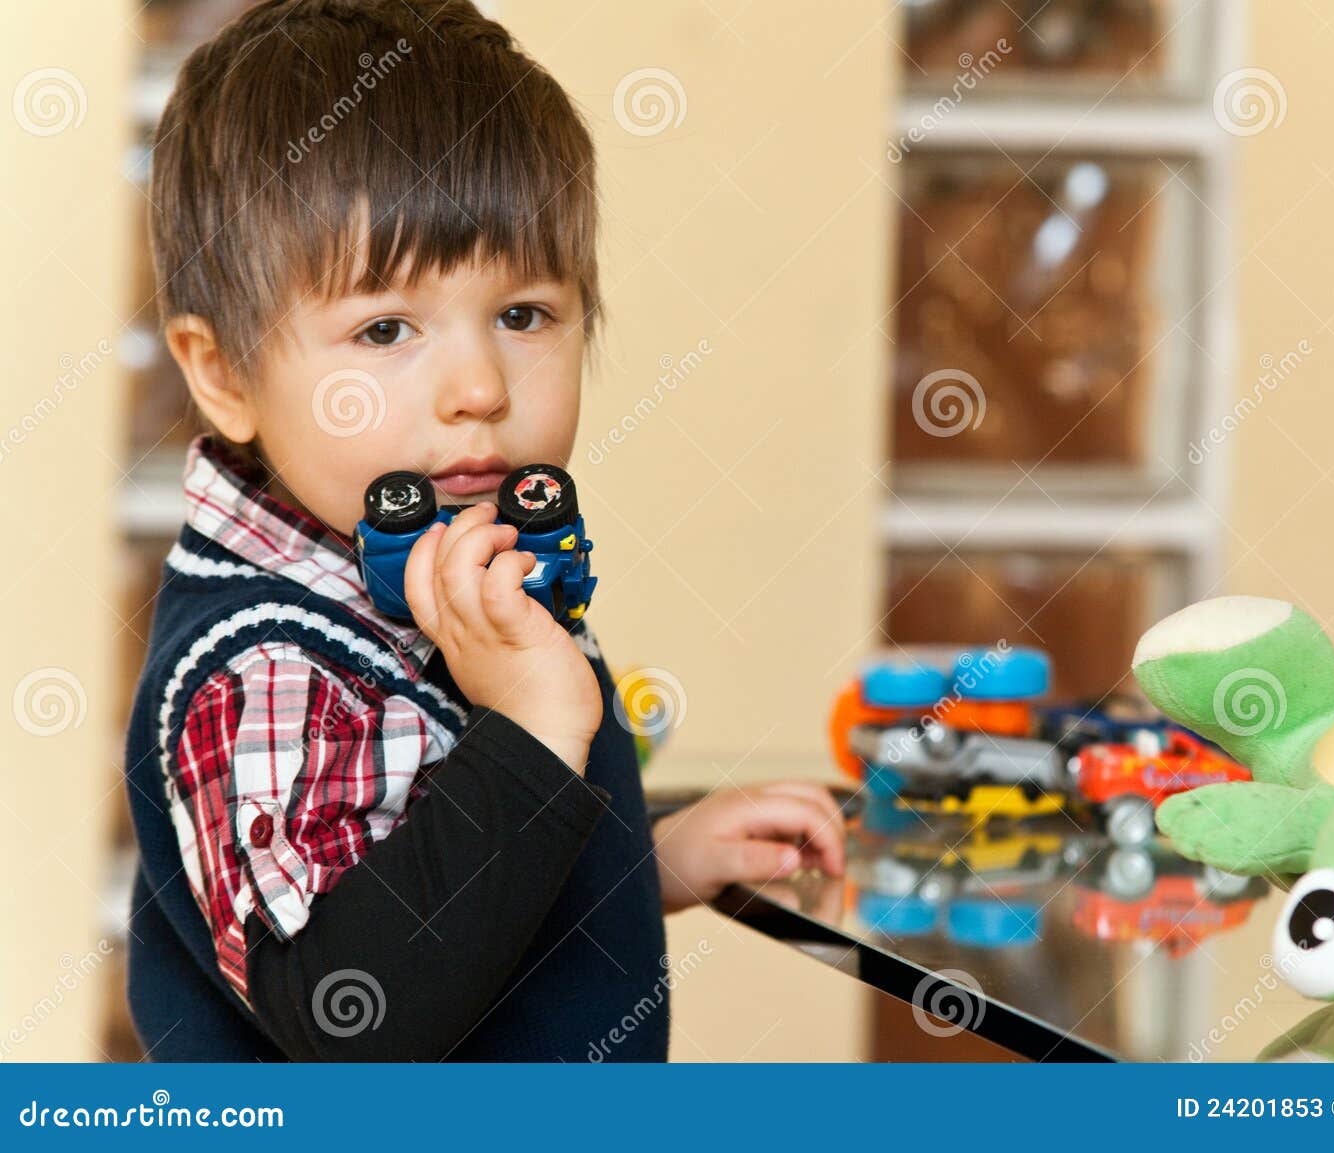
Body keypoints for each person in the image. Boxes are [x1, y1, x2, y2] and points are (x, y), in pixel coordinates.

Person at [123, 0, 844, 1061]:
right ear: (224, 372)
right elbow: (351, 1011)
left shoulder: (450, 562)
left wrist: (641, 866)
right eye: (383, 328)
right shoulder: (264, 668)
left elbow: (467, 893)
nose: (477, 387)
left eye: (524, 316)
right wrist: (539, 726)